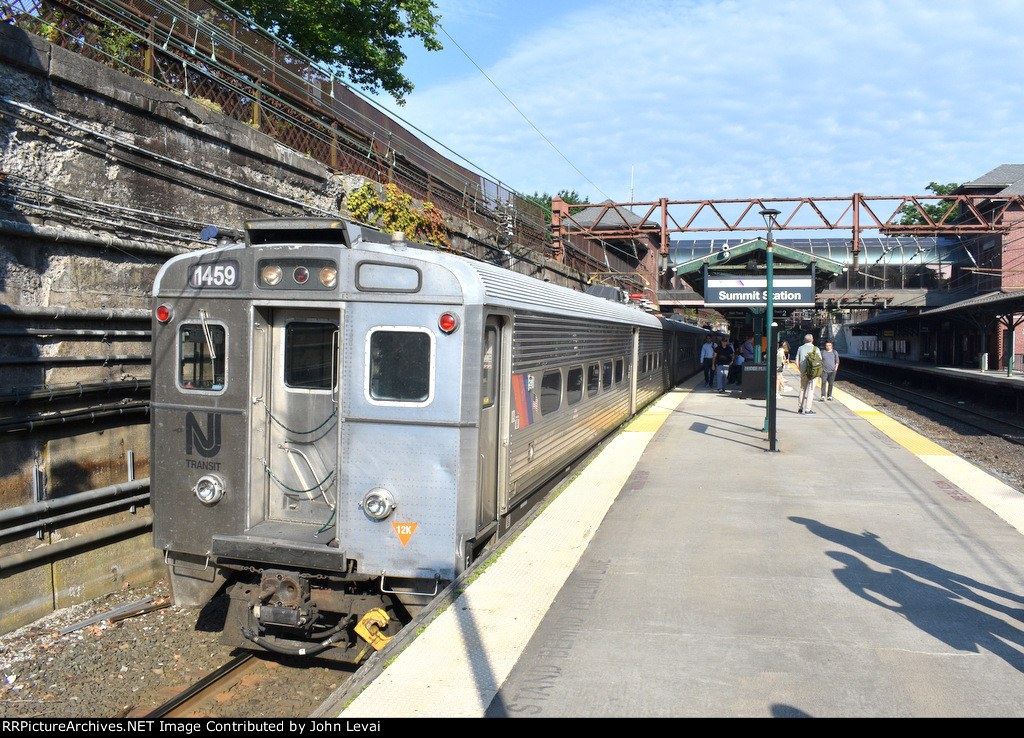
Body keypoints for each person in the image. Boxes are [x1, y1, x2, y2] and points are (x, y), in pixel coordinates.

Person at [795, 334, 821, 414]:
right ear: (812, 340)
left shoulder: (800, 348)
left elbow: (796, 361)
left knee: (802, 389)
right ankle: (808, 409)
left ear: (804, 340)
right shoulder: (815, 349)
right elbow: (819, 361)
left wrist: (801, 370)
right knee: (811, 390)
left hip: (803, 373)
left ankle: (800, 408)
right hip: (813, 373)